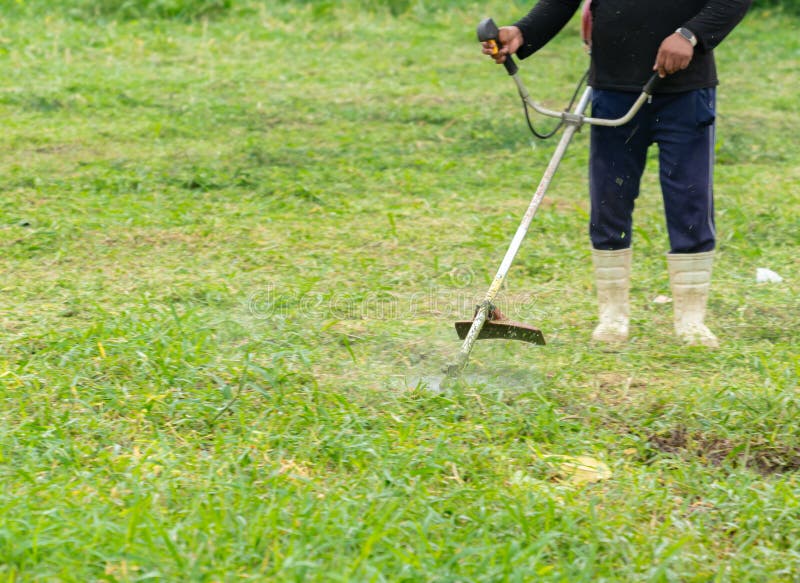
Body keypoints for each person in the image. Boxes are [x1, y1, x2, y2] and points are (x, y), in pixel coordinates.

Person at [482, 0, 751, 347]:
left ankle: (691, 321)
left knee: (690, 200)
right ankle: (612, 318)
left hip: (687, 89)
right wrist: (523, 31)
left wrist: (690, 34)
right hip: (612, 87)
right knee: (610, 200)